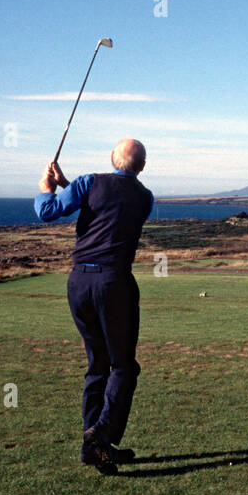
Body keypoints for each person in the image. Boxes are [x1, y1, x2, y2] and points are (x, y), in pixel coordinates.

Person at [35, 138, 153, 474]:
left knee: (98, 364)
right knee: (123, 367)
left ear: (111, 159)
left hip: (79, 283)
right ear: (142, 166)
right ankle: (100, 436)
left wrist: (47, 188)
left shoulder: (90, 183)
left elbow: (47, 211)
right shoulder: (145, 198)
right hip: (115, 284)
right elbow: (112, 206)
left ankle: (93, 447)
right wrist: (66, 185)